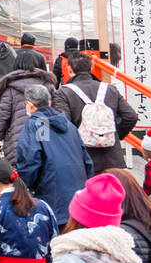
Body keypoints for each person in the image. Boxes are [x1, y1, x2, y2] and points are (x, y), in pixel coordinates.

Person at [14, 83, 93, 227]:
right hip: (78, 199)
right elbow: (87, 161)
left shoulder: (38, 124)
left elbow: (31, 160)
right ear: (49, 102)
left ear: (30, 105)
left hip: (52, 197)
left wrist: (29, 185)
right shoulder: (69, 126)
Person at [51, 52, 138, 173]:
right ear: (91, 67)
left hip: (83, 160)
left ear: (69, 69)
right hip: (112, 159)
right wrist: (115, 135)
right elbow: (131, 116)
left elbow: (64, 125)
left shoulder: (63, 93)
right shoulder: (110, 89)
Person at [0, 48, 58, 167]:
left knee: (21, 175)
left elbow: (3, 116)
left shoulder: (10, 88)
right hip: (44, 133)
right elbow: (56, 111)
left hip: (18, 138)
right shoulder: (48, 85)